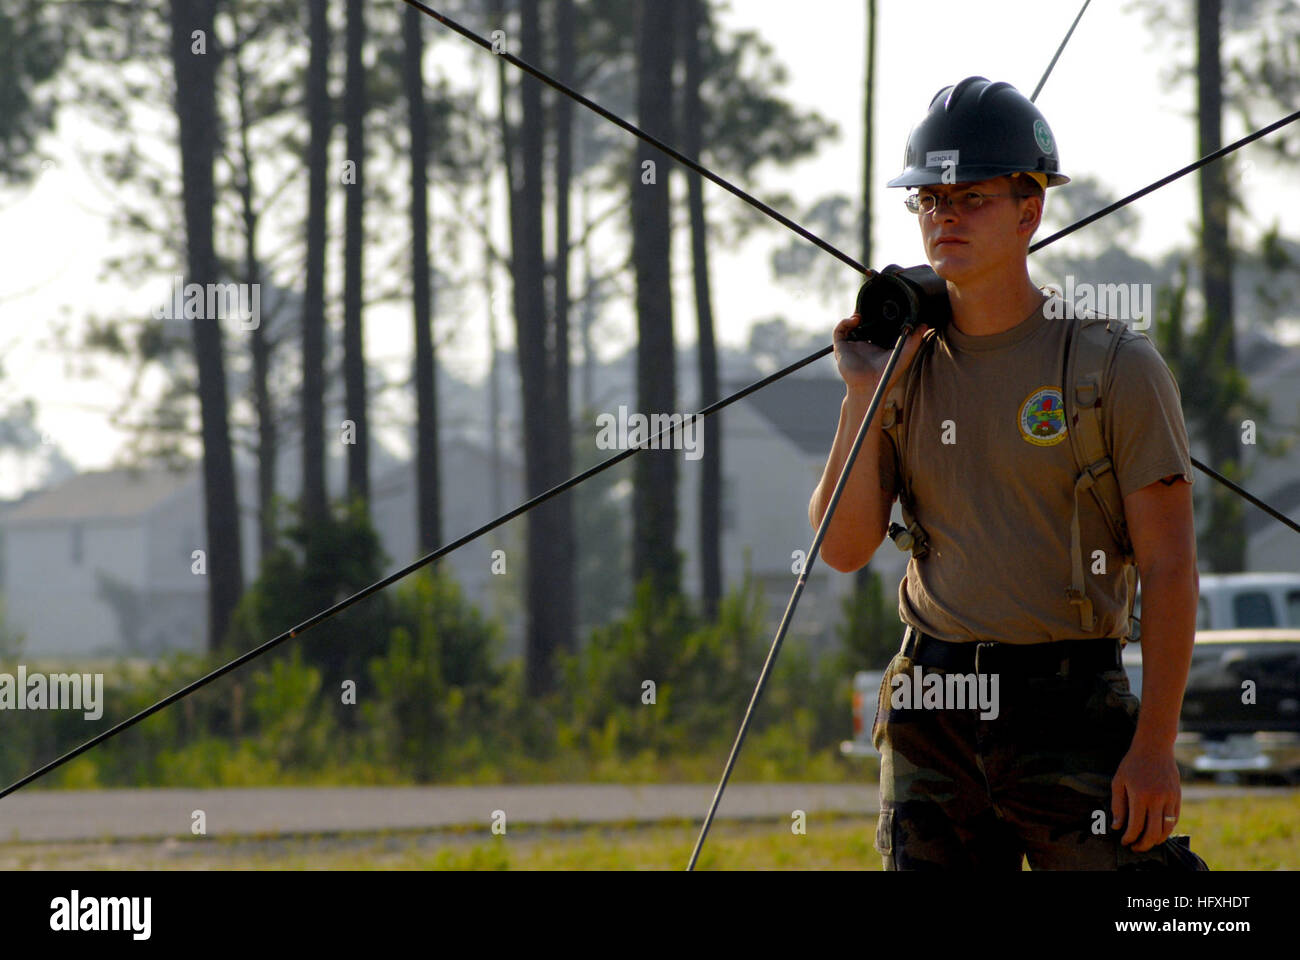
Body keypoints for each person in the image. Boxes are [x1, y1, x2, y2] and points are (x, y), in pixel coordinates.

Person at [809, 77, 1207, 870]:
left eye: (971, 197)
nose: (944, 215)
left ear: (1031, 211)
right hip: (933, 702)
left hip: (1065, 703)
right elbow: (844, 548)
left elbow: (1168, 566)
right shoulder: (898, 364)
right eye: (929, 200)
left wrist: (1155, 747)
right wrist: (861, 395)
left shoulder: (1111, 365)